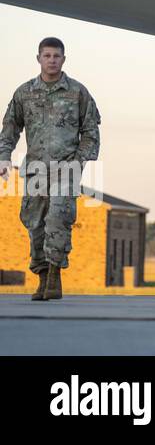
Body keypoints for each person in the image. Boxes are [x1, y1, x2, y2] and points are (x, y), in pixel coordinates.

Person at [0, 38, 101, 301]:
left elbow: (91, 132)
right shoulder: (24, 93)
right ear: (39, 59)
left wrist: (78, 161)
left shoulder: (77, 92)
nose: (52, 60)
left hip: (65, 168)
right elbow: (10, 128)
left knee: (58, 218)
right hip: (35, 170)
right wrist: (3, 157)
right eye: (47, 55)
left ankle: (55, 276)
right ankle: (42, 276)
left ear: (63, 60)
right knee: (35, 224)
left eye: (57, 56)